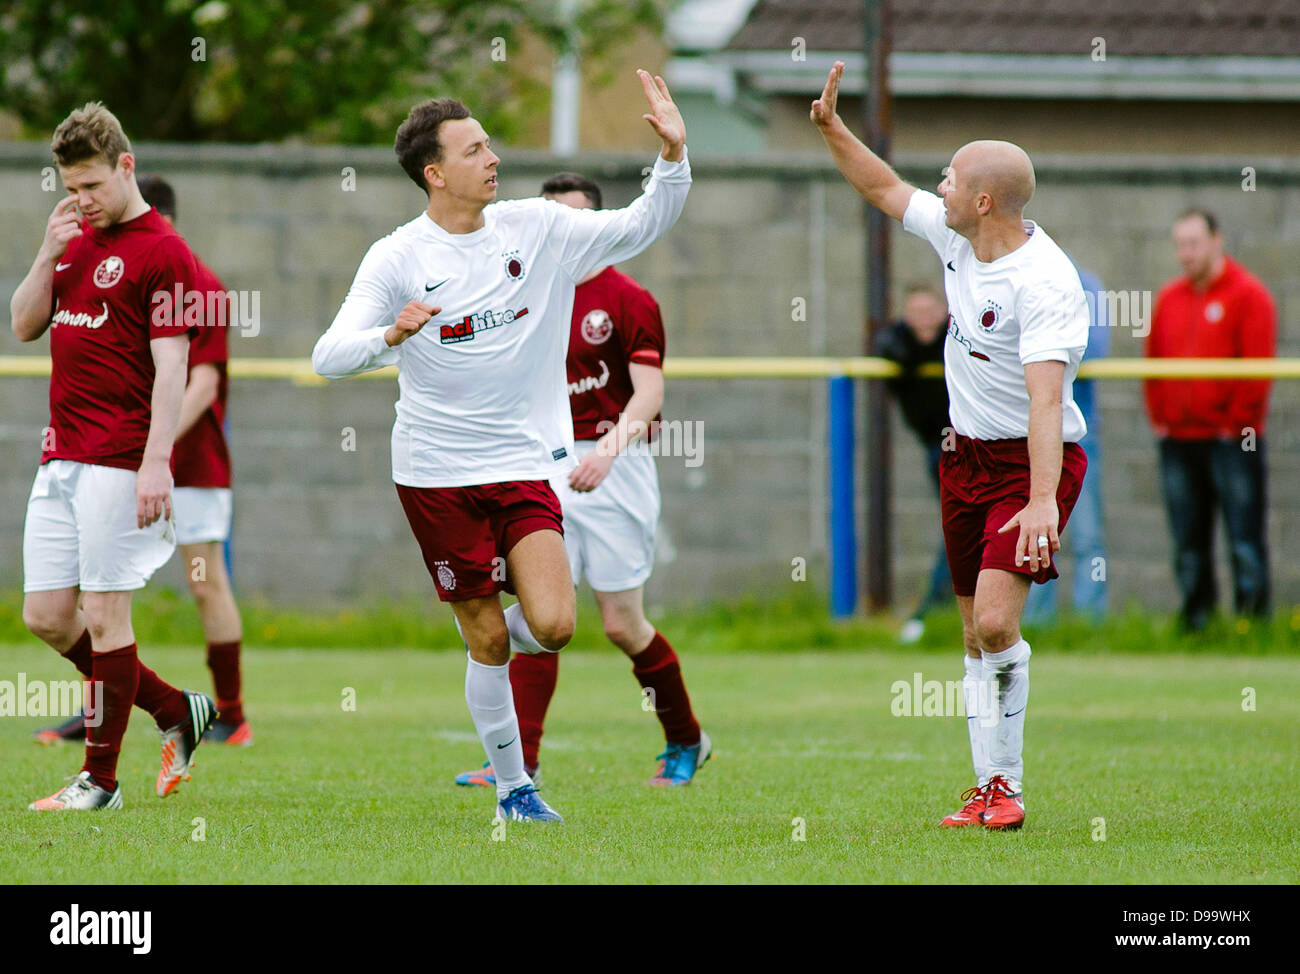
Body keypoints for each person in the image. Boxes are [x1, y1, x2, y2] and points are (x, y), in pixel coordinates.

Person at [312, 72, 690, 824]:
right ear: (435, 173)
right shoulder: (396, 258)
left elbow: (643, 222)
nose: (492, 157)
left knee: (553, 625)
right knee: (487, 636)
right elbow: (328, 355)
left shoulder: (536, 228)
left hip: (521, 464)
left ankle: (520, 752)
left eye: (488, 143)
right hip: (434, 473)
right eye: (474, 148)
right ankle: (516, 790)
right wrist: (389, 337)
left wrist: (673, 156)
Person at [812, 62, 1090, 830]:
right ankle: (989, 788)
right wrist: (833, 128)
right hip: (963, 460)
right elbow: (882, 188)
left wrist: (1040, 502)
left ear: (983, 200)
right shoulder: (957, 239)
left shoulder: (1047, 284)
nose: (937, 187)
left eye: (950, 177)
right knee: (972, 631)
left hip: (1031, 464)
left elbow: (1044, 402)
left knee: (998, 624)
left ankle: (1007, 787)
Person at [454, 173, 709, 792]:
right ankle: (520, 763)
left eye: (573, 218)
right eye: (551, 216)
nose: (559, 230)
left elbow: (649, 394)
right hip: (543, 463)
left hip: (614, 466)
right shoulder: (523, 291)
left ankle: (686, 739)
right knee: (542, 616)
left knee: (622, 624)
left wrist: (606, 453)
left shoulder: (628, 298)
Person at [10, 103, 216, 811]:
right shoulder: (70, 238)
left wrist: (157, 460)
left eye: (93, 186)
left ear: (126, 167)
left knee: (103, 613)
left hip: (121, 460)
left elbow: (173, 368)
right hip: (60, 457)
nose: (82, 201)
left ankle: (99, 782)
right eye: (70, 188)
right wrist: (46, 249)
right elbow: (24, 324)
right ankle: (175, 708)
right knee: (45, 615)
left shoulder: (163, 251)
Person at [34, 175, 252, 747]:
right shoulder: (101, 262)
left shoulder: (194, 277)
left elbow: (201, 384)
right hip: (118, 461)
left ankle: (230, 712)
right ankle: (109, 705)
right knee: (89, 596)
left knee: (205, 582)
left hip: (192, 467)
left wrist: (152, 448)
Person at [1145, 209, 1275, 632]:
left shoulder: (1249, 294)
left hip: (1232, 442)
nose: (1185, 254)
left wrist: (1235, 426)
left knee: (1243, 538)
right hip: (1179, 440)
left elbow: (1257, 371)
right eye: (1179, 245)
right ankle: (1196, 625)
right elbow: (1155, 365)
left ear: (1216, 240)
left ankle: (1251, 626)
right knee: (1188, 541)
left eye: (1193, 244)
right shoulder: (1170, 297)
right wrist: (1162, 419)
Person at [1024, 258, 1109, 622]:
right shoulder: (1017, 281)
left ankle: (1091, 623)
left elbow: (1093, 347)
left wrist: (1040, 343)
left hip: (1076, 434)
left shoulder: (1084, 281)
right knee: (1033, 530)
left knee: (1088, 532)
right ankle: (1036, 624)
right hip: (1027, 435)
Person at [875, 281, 954, 643]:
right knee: (959, 530)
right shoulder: (897, 343)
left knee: (965, 531)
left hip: (972, 441)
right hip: (939, 445)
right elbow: (889, 348)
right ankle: (932, 611)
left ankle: (932, 611)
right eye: (915, 313)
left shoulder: (957, 338)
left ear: (944, 312)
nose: (923, 320)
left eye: (929, 312)